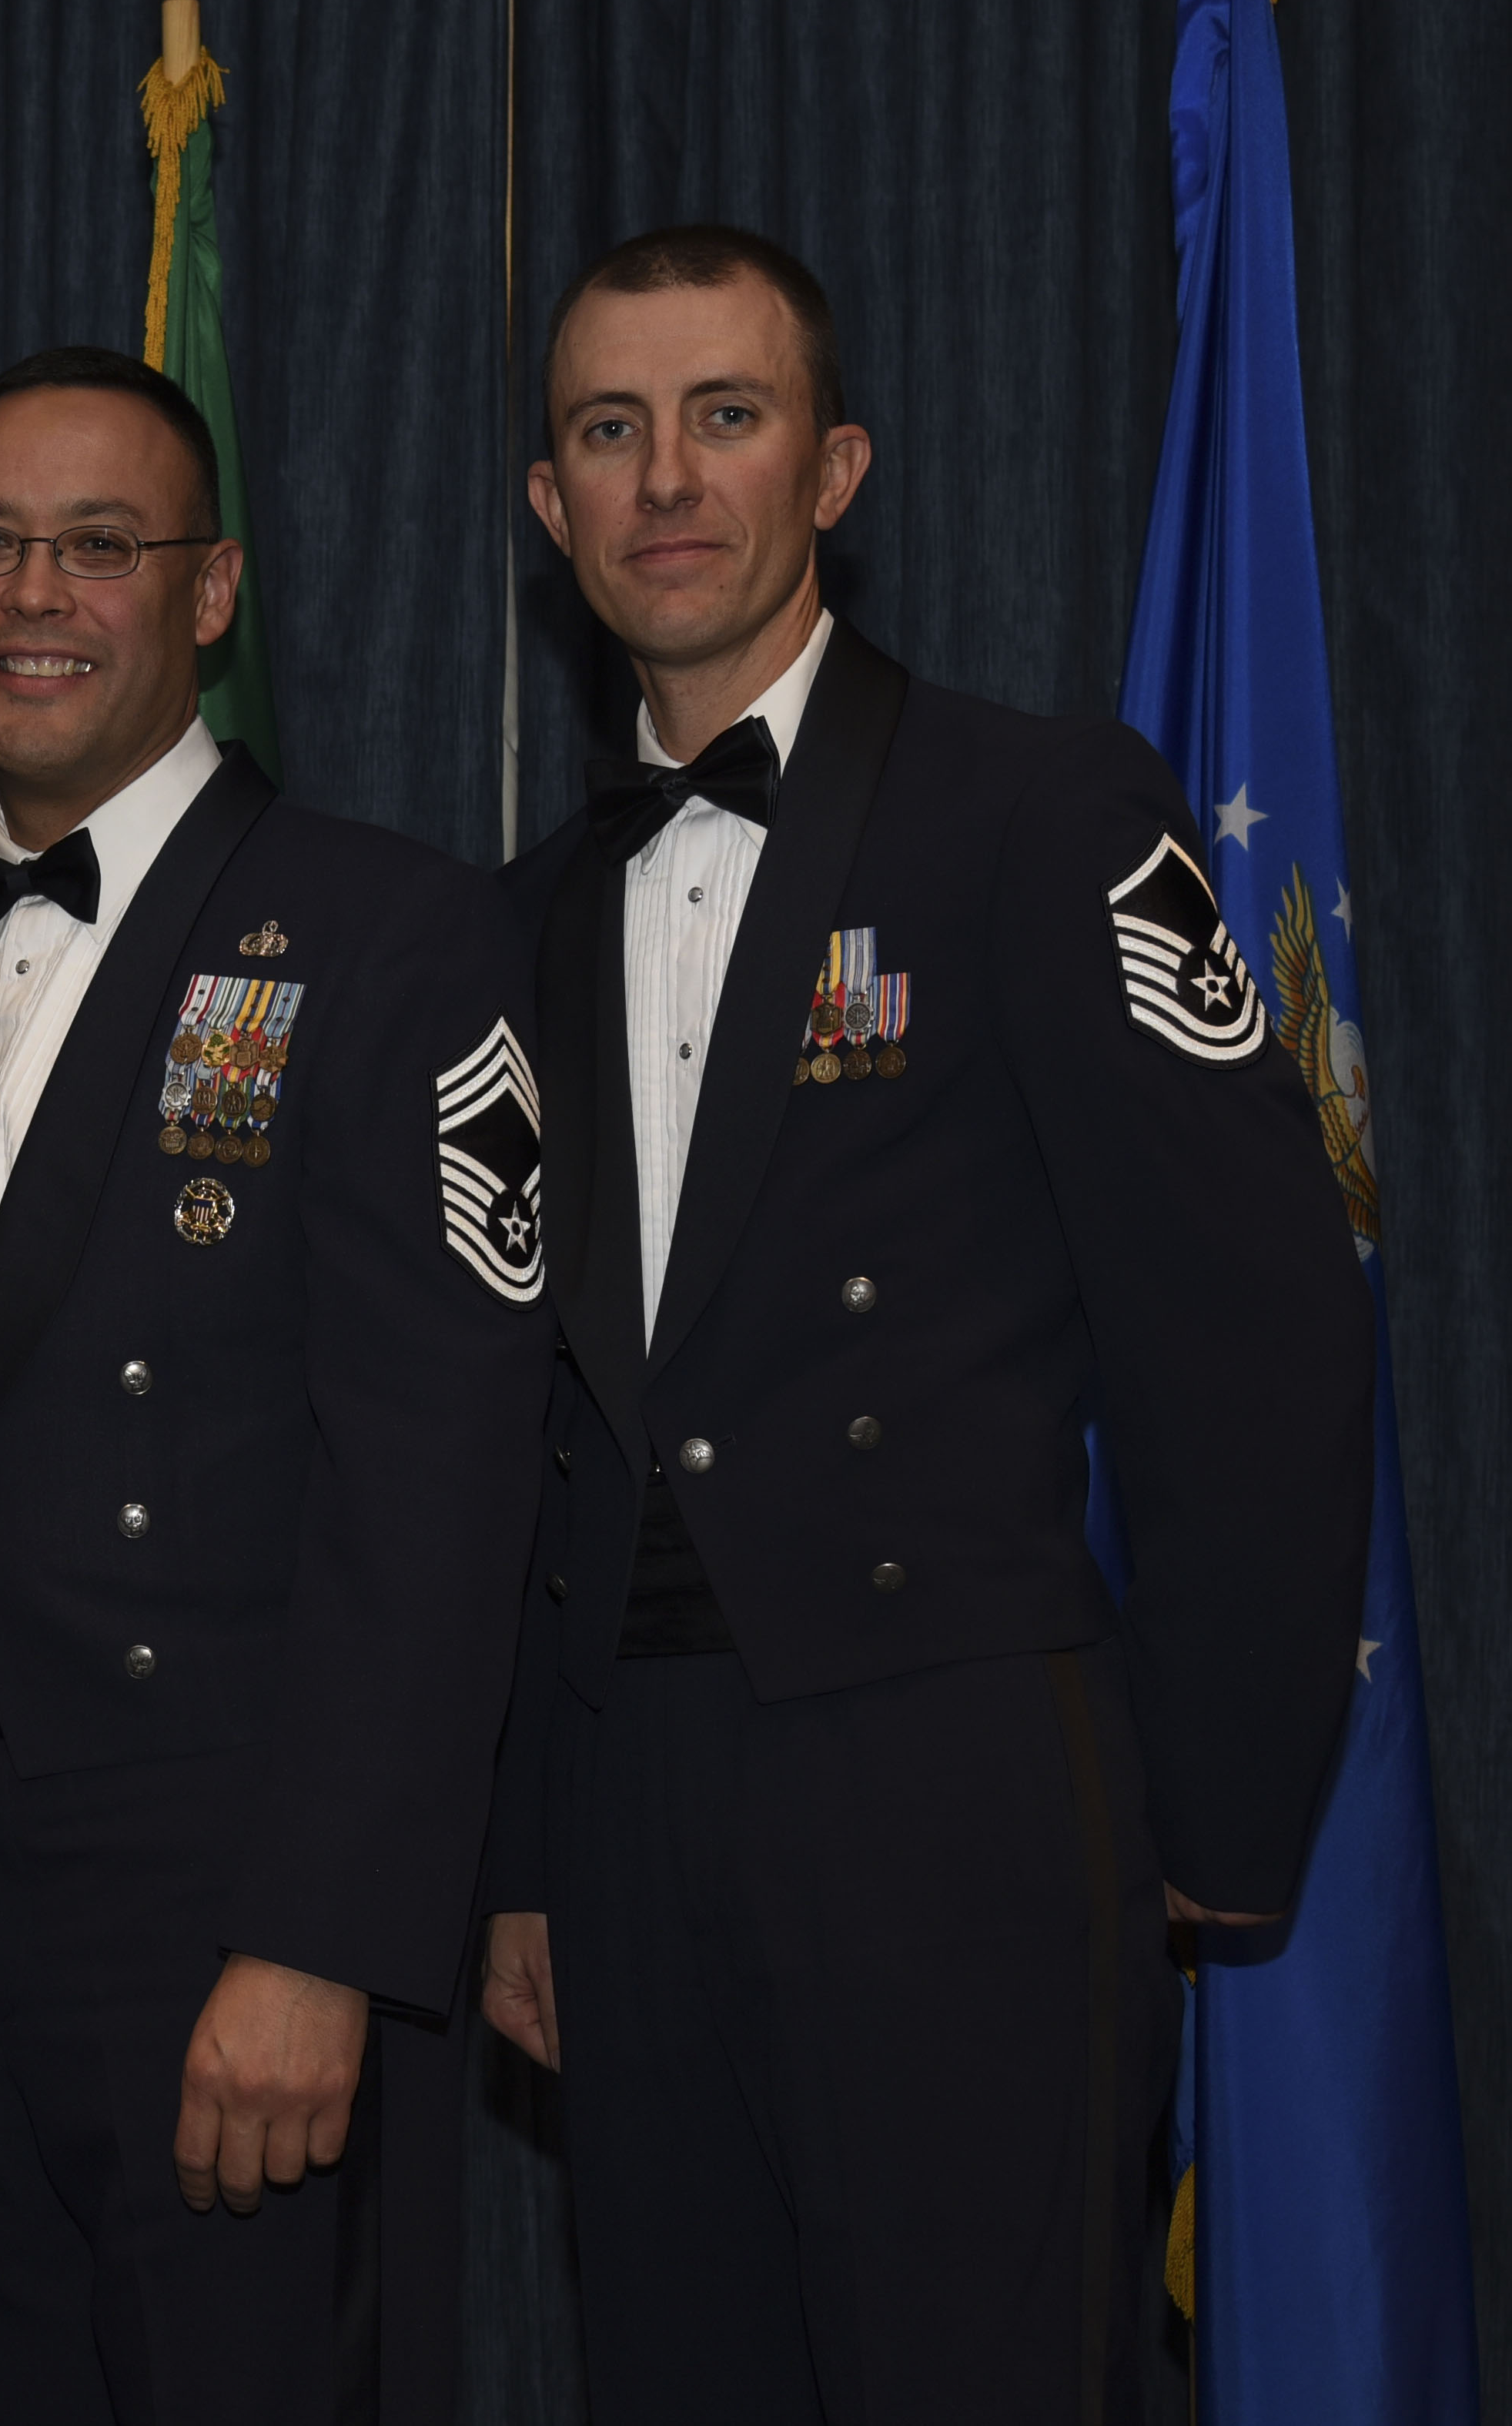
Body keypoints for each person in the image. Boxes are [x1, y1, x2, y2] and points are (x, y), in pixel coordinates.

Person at [478, 224, 1374, 2421]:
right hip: (627, 1807)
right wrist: (513, 1853)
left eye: (728, 415)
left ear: (838, 465)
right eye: (611, 429)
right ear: (548, 502)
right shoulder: (509, 918)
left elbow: (1257, 1335)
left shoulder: (1043, 812)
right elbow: (518, 1436)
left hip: (957, 1778)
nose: (666, 477)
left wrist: (1206, 1810)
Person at [0, 348, 549, 2424]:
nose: (39, 594)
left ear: (210, 596)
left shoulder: (397, 938)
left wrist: (323, 1935)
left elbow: (444, 1484)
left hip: (236, 1912)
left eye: (101, 546)